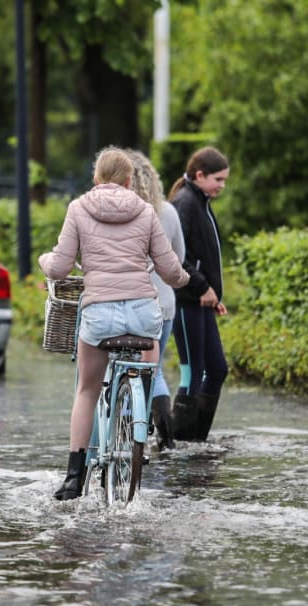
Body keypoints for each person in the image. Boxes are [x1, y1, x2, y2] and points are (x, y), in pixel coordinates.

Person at [39, 147, 189, 501]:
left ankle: (73, 479)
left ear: (96, 177)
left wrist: (45, 260)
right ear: (128, 180)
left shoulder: (78, 208)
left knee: (87, 390)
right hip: (142, 315)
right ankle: (138, 426)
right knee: (148, 370)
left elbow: (60, 267)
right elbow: (170, 270)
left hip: (100, 315)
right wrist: (184, 280)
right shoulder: (146, 211)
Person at [168, 146, 230, 442]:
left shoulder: (201, 202)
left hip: (202, 301)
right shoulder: (185, 203)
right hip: (186, 300)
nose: (222, 185)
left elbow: (202, 255)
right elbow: (175, 257)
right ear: (200, 175)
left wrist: (213, 295)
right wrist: (202, 286)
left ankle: (198, 442)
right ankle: (181, 443)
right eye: (218, 179)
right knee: (193, 373)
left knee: (217, 369)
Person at [125, 148, 185, 451]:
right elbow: (179, 258)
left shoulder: (120, 214)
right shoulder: (168, 212)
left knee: (124, 370)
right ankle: (166, 440)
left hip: (126, 304)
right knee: (155, 369)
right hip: (163, 304)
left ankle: (125, 438)